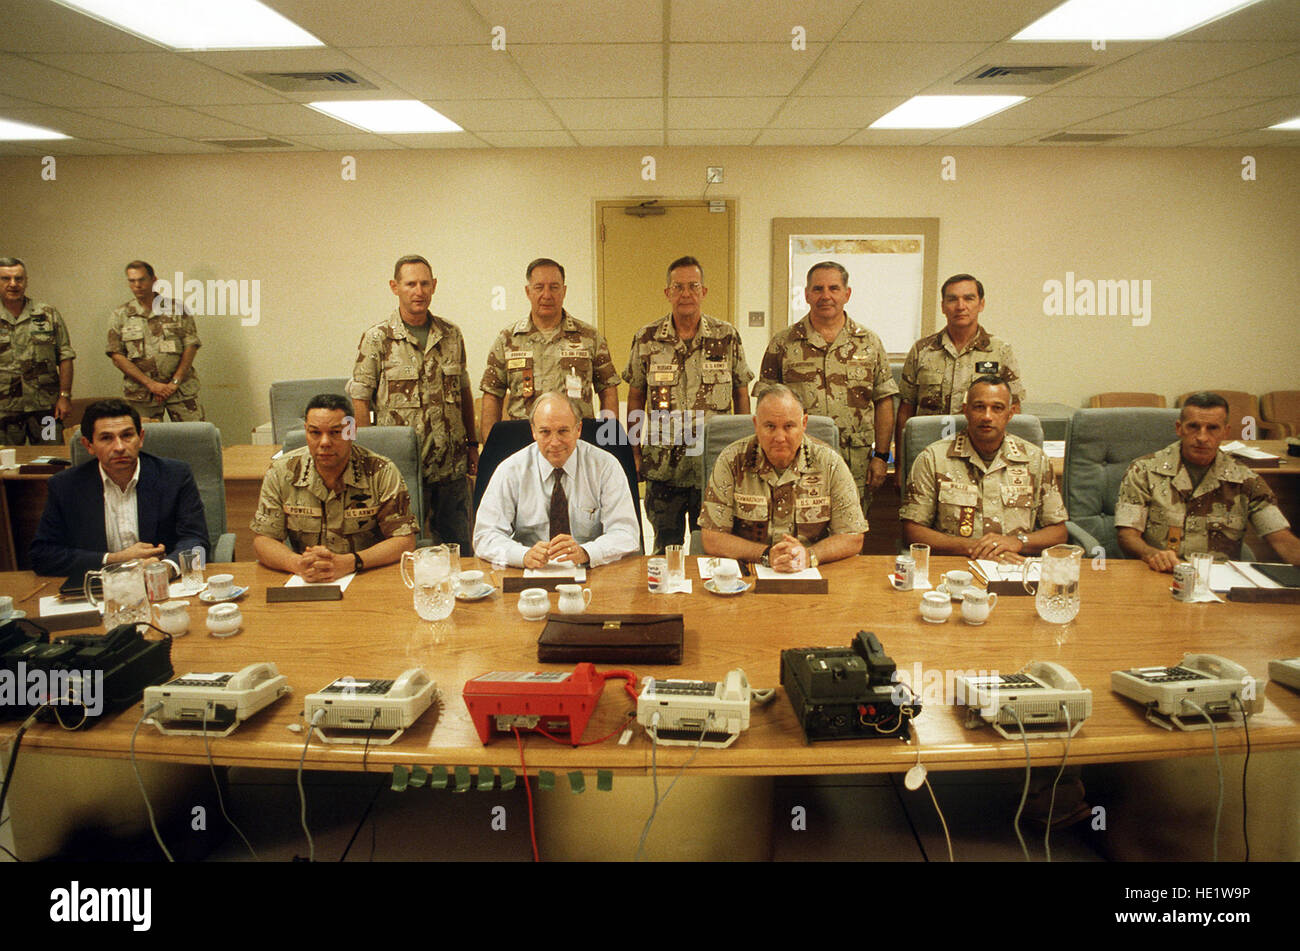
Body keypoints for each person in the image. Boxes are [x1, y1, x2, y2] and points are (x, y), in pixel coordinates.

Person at [623, 255, 753, 552]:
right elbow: (635, 397)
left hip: (714, 468)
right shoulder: (647, 338)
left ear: (704, 291)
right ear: (667, 293)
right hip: (663, 467)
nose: (686, 294)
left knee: (711, 549)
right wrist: (633, 451)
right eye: (678, 287)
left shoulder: (726, 336)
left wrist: (747, 447)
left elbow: (741, 393)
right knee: (664, 548)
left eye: (693, 286)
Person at [347, 254, 477, 550]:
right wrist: (368, 456)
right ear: (395, 287)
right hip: (400, 470)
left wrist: (473, 444)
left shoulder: (451, 334)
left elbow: (464, 392)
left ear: (434, 286)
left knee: (458, 548)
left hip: (450, 467)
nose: (418, 291)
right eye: (410, 284)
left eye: (425, 284)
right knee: (401, 550)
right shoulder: (377, 339)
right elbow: (360, 400)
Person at [754, 261, 895, 517]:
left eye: (834, 288)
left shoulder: (869, 343)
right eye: (818, 289)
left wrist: (881, 457)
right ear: (806, 295)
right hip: (798, 459)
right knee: (798, 528)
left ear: (846, 294)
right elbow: (766, 404)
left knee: (850, 531)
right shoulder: (783, 343)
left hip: (856, 461)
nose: (826, 296)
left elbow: (884, 401)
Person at [1116, 391, 1300, 570]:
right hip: (1160, 572)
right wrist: (1151, 554)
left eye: (1212, 428)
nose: (1202, 437)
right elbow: (1127, 536)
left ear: (1225, 432)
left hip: (1218, 581)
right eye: (1193, 426)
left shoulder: (1246, 480)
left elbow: (1280, 538)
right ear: (1179, 428)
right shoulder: (1143, 470)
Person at [29, 398, 208, 578]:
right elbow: (42, 556)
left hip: (163, 586)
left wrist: (165, 569)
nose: (120, 447)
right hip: (100, 587)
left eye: (127, 435)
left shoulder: (174, 476)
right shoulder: (65, 486)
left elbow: (197, 541)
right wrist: (114, 559)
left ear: (141, 438)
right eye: (106, 438)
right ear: (88, 445)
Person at [251, 393, 417, 583]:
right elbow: (263, 540)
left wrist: (350, 562)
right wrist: (297, 564)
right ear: (306, 431)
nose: (324, 443)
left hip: (368, 576)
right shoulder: (282, 472)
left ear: (351, 432)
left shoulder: (381, 472)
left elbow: (404, 540)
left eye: (335, 432)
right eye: (315, 433)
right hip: (306, 580)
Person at [700, 385, 867, 572]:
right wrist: (765, 554)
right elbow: (712, 537)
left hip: (810, 572)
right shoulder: (731, 460)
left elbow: (853, 536)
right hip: (749, 572)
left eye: (789, 426)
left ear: (804, 423)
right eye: (770, 426)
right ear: (756, 424)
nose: (780, 437)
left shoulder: (830, 463)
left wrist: (809, 556)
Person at [901, 376, 1066, 560]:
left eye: (997, 408)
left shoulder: (1036, 460)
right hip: (955, 566)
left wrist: (1018, 541)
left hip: (1015, 566)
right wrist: (974, 548)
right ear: (966, 411)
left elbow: (1058, 531)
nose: (987, 416)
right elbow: (912, 530)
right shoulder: (933, 458)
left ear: (1010, 414)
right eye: (979, 407)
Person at [473, 392, 638, 568]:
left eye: (563, 431)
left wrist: (586, 552)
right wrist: (523, 555)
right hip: (530, 576)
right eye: (545, 432)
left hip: (592, 571)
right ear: (534, 432)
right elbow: (485, 535)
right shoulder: (511, 469)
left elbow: (626, 533)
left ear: (578, 430)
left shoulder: (605, 466)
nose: (555, 442)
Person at [895, 274, 1024, 483]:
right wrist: (901, 465)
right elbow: (906, 409)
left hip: (981, 459)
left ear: (981, 304)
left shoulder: (1000, 351)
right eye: (952, 299)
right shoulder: (922, 350)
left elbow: (1013, 408)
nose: (960, 306)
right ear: (943, 306)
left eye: (969, 298)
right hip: (927, 456)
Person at [479, 258, 619, 436]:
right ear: (528, 291)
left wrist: (609, 440)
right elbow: (492, 395)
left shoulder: (589, 337)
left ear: (564, 291)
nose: (547, 295)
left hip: (576, 440)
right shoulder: (507, 339)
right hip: (523, 441)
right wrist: (492, 447)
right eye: (539, 287)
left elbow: (608, 390)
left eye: (554, 287)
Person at [105, 260, 204, 421]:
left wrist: (174, 382)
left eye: (142, 279)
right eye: (132, 281)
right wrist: (151, 384)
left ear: (154, 280)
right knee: (144, 441)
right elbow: (117, 356)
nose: (137, 285)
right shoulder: (121, 315)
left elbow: (190, 346)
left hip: (180, 390)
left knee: (195, 438)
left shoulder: (177, 308)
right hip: (142, 393)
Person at [0, 256, 75, 445]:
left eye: (19, 278)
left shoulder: (47, 314)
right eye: (6, 279)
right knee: (5, 463)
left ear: (26, 281)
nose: (13, 284)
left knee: (51, 458)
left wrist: (64, 396)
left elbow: (65, 356)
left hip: (46, 410)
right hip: (4, 411)